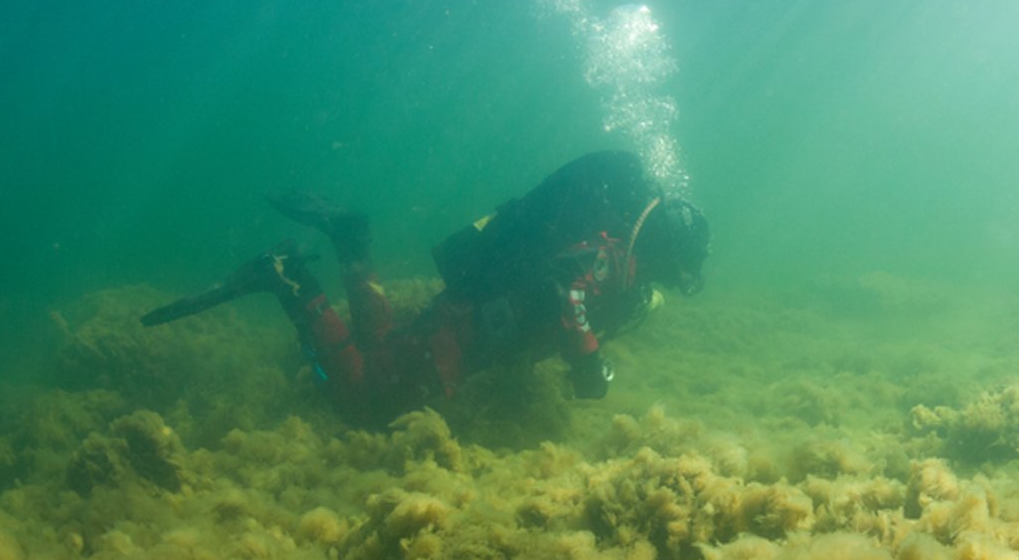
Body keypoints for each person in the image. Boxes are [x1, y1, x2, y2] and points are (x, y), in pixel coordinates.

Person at [141, 150, 709, 423]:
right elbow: (568, 285)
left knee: (381, 345)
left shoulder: (617, 246)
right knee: (366, 402)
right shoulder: (613, 254)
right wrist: (587, 363)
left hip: (470, 314)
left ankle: (352, 242)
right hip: (466, 335)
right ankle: (287, 279)